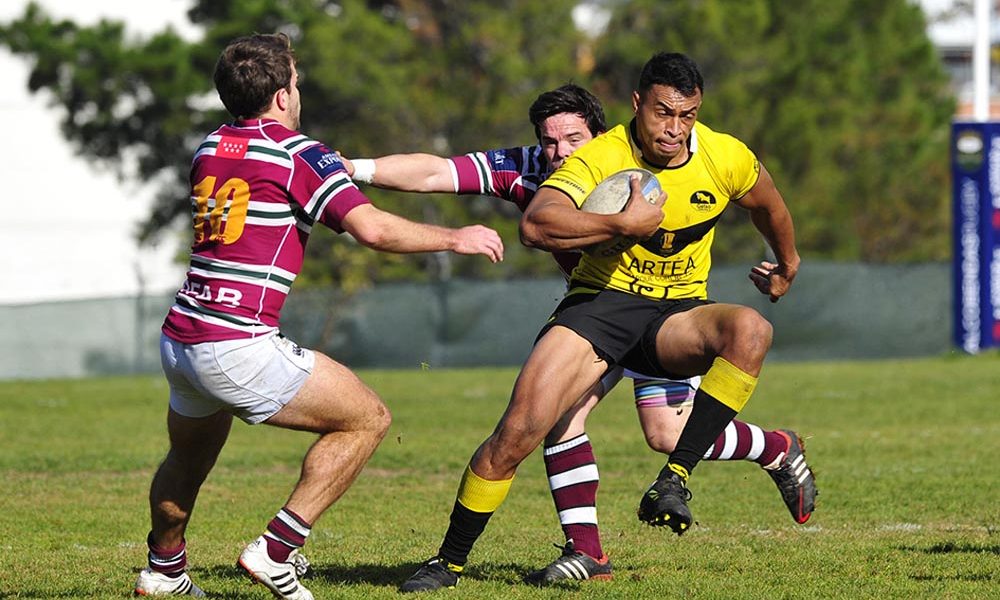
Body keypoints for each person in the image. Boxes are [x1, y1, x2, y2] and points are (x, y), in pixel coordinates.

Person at [343, 79, 815, 591]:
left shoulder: (630, 160)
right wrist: (356, 170)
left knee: (669, 434)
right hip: (598, 312)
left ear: (601, 130)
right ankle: (583, 552)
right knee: (551, 419)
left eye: (572, 139)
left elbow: (759, 200)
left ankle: (774, 448)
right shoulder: (533, 170)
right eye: (548, 141)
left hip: (668, 313)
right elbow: (437, 171)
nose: (559, 152)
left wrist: (786, 265)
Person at [132, 33, 504, 599]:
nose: (298, 91)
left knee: (187, 456)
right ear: (282, 96)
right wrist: (456, 236)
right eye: (296, 82)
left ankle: (164, 572)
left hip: (183, 338)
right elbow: (373, 229)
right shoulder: (299, 153)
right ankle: (276, 551)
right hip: (238, 343)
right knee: (367, 418)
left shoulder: (210, 144)